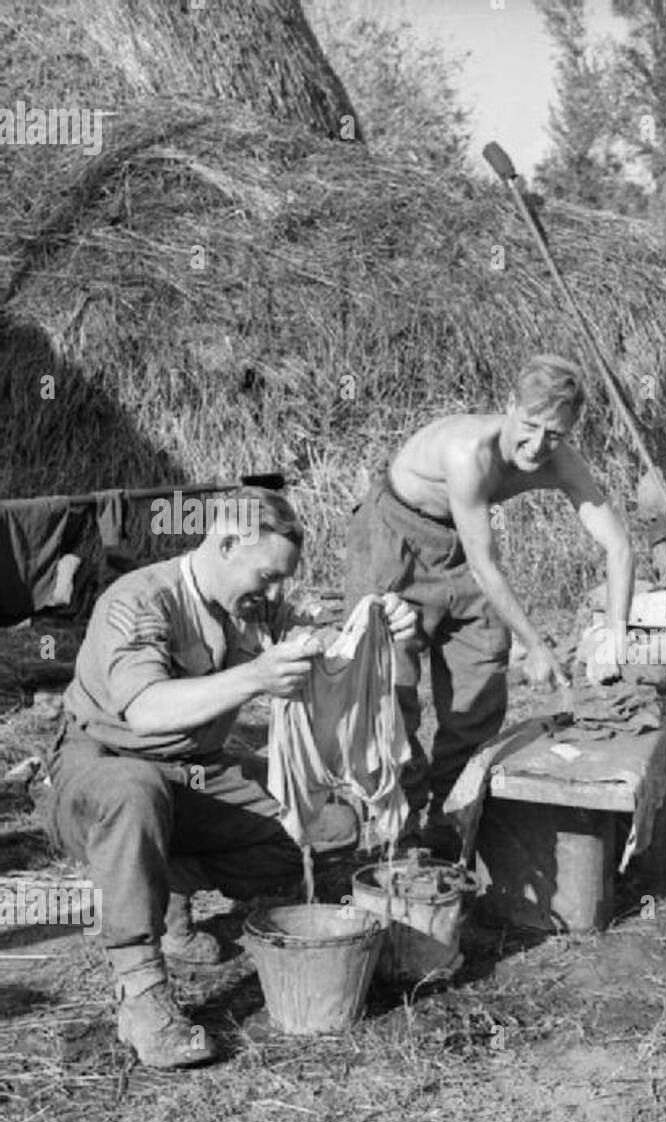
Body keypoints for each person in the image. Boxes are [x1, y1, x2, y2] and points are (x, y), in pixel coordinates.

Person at [48, 488, 417, 1068]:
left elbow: (325, 637)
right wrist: (255, 678)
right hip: (100, 770)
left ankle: (161, 878)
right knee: (135, 792)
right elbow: (145, 710)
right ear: (224, 543)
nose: (274, 594)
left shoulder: (253, 604)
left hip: (193, 776)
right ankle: (141, 991)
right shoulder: (139, 600)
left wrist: (381, 624)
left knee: (330, 824)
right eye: (268, 577)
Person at [343, 356, 635, 842]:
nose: (539, 445)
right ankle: (397, 828)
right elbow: (486, 565)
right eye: (530, 426)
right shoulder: (467, 452)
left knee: (480, 680)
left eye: (555, 435)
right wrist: (537, 645)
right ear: (509, 407)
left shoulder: (561, 461)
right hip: (395, 540)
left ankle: (451, 820)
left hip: (460, 546)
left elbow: (619, 545)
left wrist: (618, 635)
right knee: (388, 688)